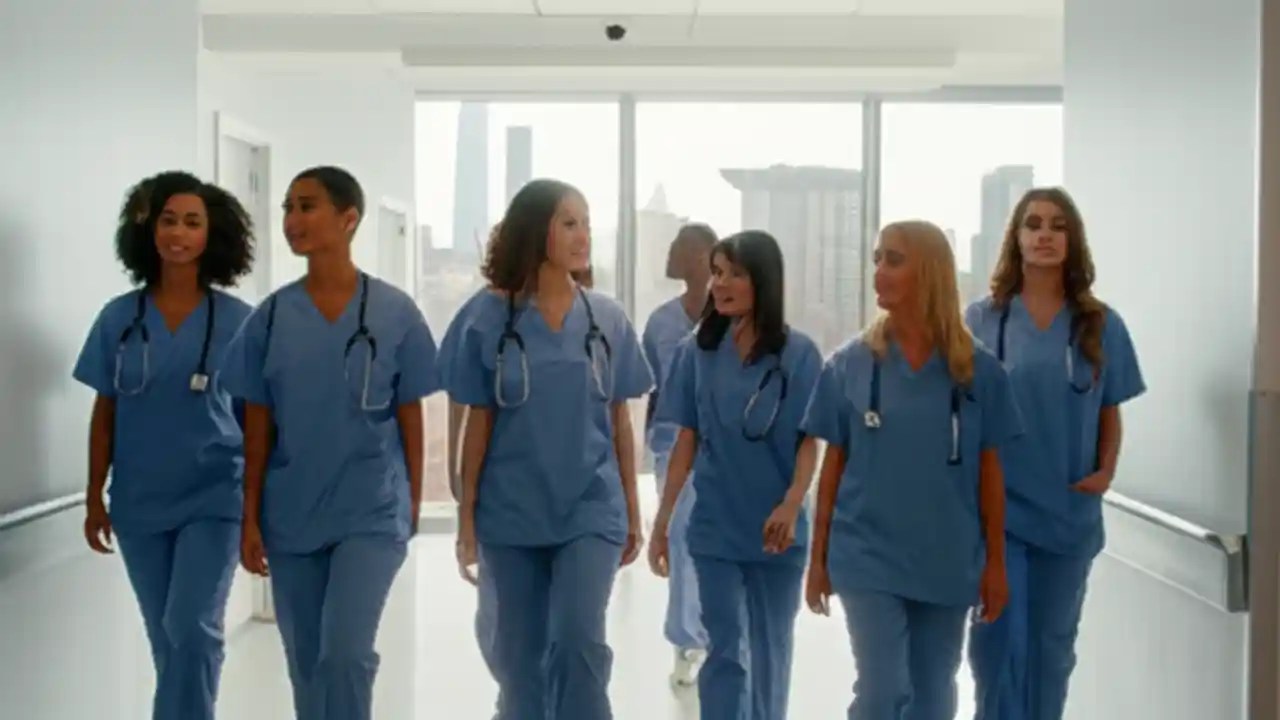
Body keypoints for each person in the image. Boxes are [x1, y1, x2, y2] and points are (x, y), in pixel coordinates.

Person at [221, 166, 441, 720]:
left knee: (345, 654)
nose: (293, 220)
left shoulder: (396, 312)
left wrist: (412, 499)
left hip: (370, 508)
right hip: (291, 511)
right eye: (288, 208)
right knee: (306, 660)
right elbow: (256, 426)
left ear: (349, 220)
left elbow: (410, 412)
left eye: (307, 206)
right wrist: (250, 517)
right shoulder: (270, 318)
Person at [444, 178, 652, 720]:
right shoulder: (488, 317)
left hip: (589, 506)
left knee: (579, 644)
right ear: (536, 231)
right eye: (568, 222)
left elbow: (619, 421)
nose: (583, 235)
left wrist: (632, 508)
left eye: (585, 221)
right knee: (518, 661)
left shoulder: (606, 318)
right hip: (510, 511)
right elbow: (478, 425)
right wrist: (466, 519)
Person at [802, 220, 1023, 720]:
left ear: (931, 271)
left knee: (933, 697)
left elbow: (991, 475)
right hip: (867, 553)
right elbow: (832, 468)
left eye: (894, 259)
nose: (879, 271)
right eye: (876, 258)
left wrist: (996, 564)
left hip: (946, 557)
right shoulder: (850, 366)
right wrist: (818, 560)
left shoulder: (979, 372)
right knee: (882, 692)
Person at [74, 170, 255, 720]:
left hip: (214, 496)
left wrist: (258, 506)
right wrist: (92, 496)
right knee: (165, 637)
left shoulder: (238, 321)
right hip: (138, 500)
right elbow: (105, 410)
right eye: (168, 220)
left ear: (212, 234)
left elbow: (258, 419)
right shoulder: (118, 318)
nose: (178, 232)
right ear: (149, 231)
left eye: (192, 222)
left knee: (191, 629)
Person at [965, 188, 1145, 720]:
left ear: (1072, 241)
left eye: (1058, 225)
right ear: (1016, 238)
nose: (1045, 234)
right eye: (1034, 224)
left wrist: (1106, 471)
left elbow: (1110, 406)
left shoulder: (1100, 323)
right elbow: (960, 411)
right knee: (998, 646)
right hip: (998, 516)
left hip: (1068, 514)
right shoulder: (982, 320)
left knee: (1052, 651)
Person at [648, 230, 823, 720]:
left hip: (776, 530)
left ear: (763, 282)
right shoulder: (695, 353)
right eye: (717, 272)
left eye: (734, 274)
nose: (719, 283)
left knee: (770, 654)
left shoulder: (801, 355)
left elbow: (809, 440)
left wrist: (792, 503)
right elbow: (685, 441)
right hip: (715, 528)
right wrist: (663, 523)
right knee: (724, 649)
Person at [641, 223, 716, 687]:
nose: (670, 254)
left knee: (706, 541)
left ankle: (708, 636)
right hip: (673, 443)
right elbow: (651, 389)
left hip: (720, 447)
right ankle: (687, 640)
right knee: (680, 537)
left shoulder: (731, 315)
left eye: (680, 247)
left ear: (704, 254)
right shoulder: (661, 322)